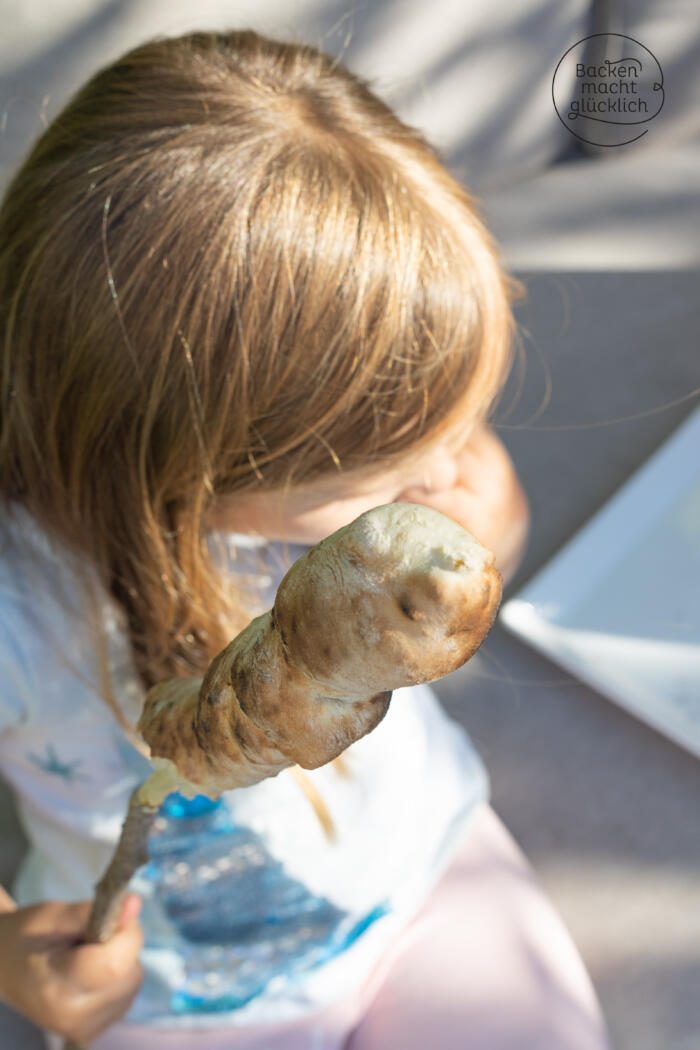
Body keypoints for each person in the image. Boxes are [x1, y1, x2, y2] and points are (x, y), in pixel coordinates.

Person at [0, 28, 610, 1050]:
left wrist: (482, 518)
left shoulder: (417, 476)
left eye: (461, 425)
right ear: (195, 466)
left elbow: (487, 515)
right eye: (396, 477)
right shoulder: (22, 613)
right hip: (173, 988)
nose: (452, 473)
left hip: (417, 870)